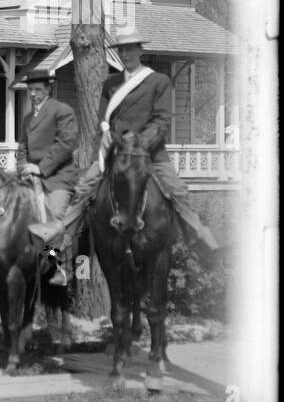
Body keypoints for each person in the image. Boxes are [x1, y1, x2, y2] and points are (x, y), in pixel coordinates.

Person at [30, 30, 221, 257]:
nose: (126, 53)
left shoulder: (159, 81)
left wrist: (139, 143)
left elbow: (162, 121)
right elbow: (103, 122)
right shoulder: (111, 83)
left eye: (130, 49)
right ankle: (59, 241)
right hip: (115, 153)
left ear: (140, 50)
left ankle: (201, 241)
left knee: (177, 190)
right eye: (122, 49)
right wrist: (105, 143)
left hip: (149, 153)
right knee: (83, 190)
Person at [17, 68, 79, 286]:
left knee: (53, 222)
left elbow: (65, 144)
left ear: (47, 89)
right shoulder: (27, 118)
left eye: (37, 89)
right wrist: (23, 166)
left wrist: (40, 169)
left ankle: (62, 268)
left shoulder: (62, 110)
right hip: (31, 177)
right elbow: (22, 147)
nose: (33, 94)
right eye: (30, 90)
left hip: (57, 177)